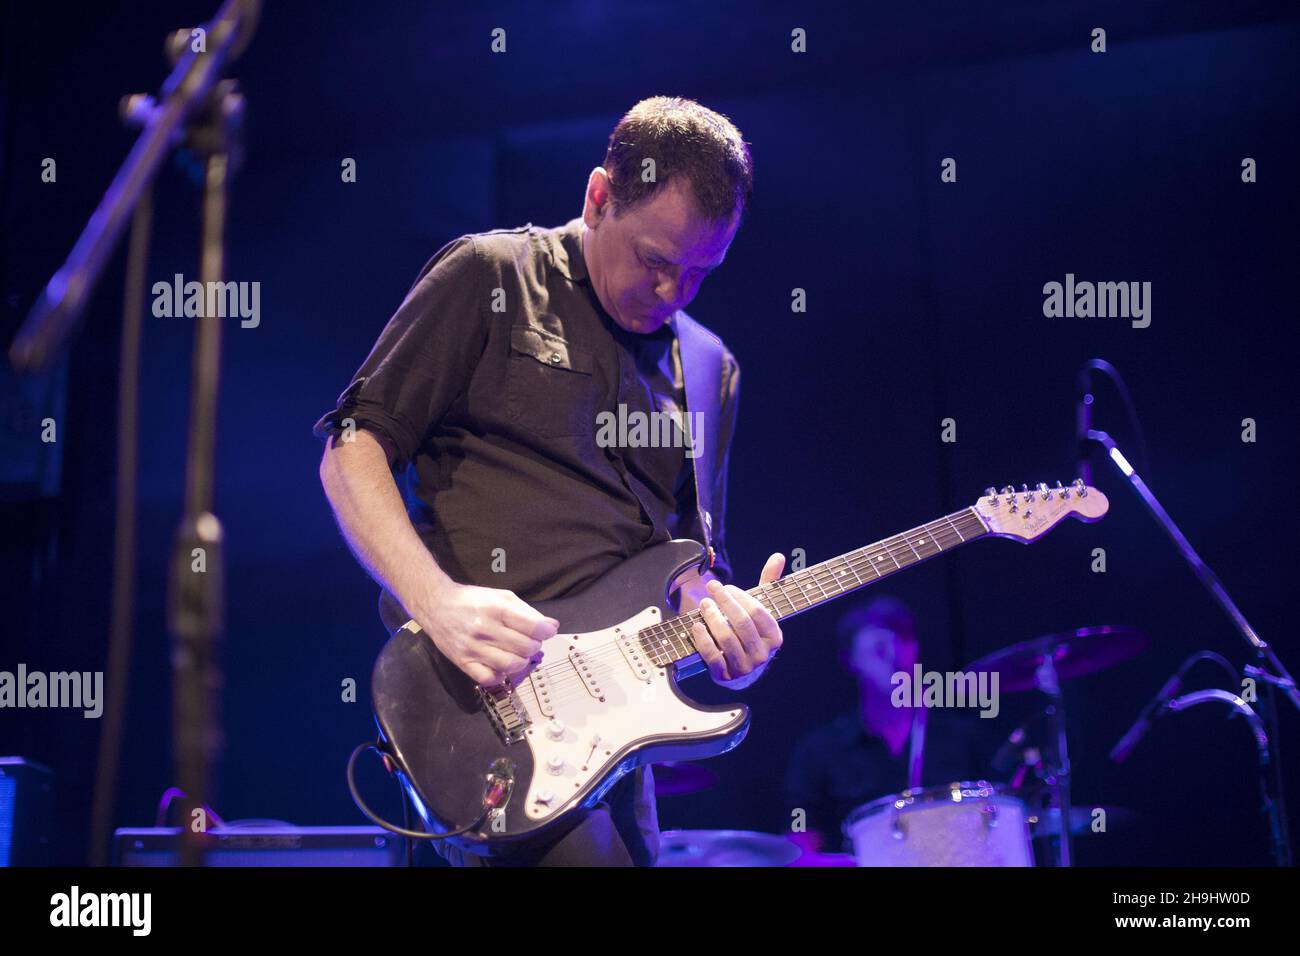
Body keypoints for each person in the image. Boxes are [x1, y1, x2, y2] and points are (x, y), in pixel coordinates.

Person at [315, 96, 785, 866]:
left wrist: (731, 630)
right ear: (598, 197)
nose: (674, 292)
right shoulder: (490, 275)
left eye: (702, 271)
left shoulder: (710, 369)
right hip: (478, 707)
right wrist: (438, 603)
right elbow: (351, 446)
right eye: (657, 260)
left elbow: (692, 568)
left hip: (611, 739)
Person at [783, 597, 999, 857]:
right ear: (849, 660)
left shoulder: (964, 737)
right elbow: (801, 841)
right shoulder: (818, 751)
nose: (897, 658)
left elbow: (998, 821)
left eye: (904, 643)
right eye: (880, 649)